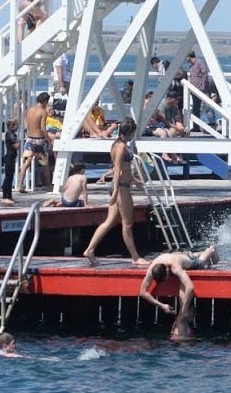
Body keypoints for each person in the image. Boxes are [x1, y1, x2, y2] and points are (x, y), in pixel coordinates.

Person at [83, 119, 149, 266]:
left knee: (110, 221)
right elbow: (117, 169)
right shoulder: (121, 146)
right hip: (121, 187)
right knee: (128, 223)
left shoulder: (118, 144)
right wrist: (115, 192)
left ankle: (89, 250)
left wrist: (135, 181)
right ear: (130, 132)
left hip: (122, 185)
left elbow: (124, 168)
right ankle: (136, 257)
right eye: (133, 132)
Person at [139, 246, 219, 321]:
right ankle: (198, 253)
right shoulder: (152, 269)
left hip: (188, 260)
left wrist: (184, 310)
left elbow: (190, 287)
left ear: (167, 270)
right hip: (180, 255)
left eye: (165, 278)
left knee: (201, 263)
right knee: (191, 256)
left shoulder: (175, 267)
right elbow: (143, 292)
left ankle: (210, 250)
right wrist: (161, 305)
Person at [17, 93, 52, 194]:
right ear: (45, 101)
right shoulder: (43, 111)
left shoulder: (30, 110)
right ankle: (49, 185)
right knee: (45, 164)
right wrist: (49, 140)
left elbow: (26, 124)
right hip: (39, 140)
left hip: (29, 139)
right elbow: (43, 128)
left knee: (26, 163)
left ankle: (20, 184)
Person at [0, 118, 19, 206]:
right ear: (11, 126)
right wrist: (17, 144)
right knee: (8, 177)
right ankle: (5, 197)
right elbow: (16, 146)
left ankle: (9, 196)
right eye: (16, 125)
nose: (17, 127)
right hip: (9, 157)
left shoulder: (12, 133)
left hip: (12, 157)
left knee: (10, 177)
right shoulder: (10, 133)